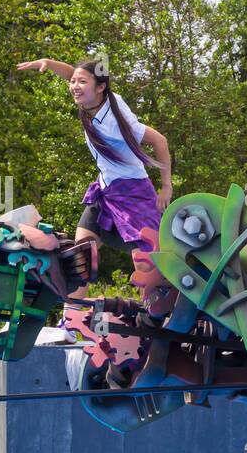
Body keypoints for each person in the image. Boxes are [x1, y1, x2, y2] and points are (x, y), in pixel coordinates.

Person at [15, 57, 172, 294]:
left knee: (147, 268)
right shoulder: (92, 100)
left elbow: (159, 140)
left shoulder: (116, 121)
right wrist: (48, 62)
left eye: (82, 82)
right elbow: (72, 75)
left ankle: (152, 321)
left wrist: (166, 187)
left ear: (100, 87)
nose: (74, 86)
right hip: (105, 192)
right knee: (79, 259)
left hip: (133, 195)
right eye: (74, 82)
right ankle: (70, 322)